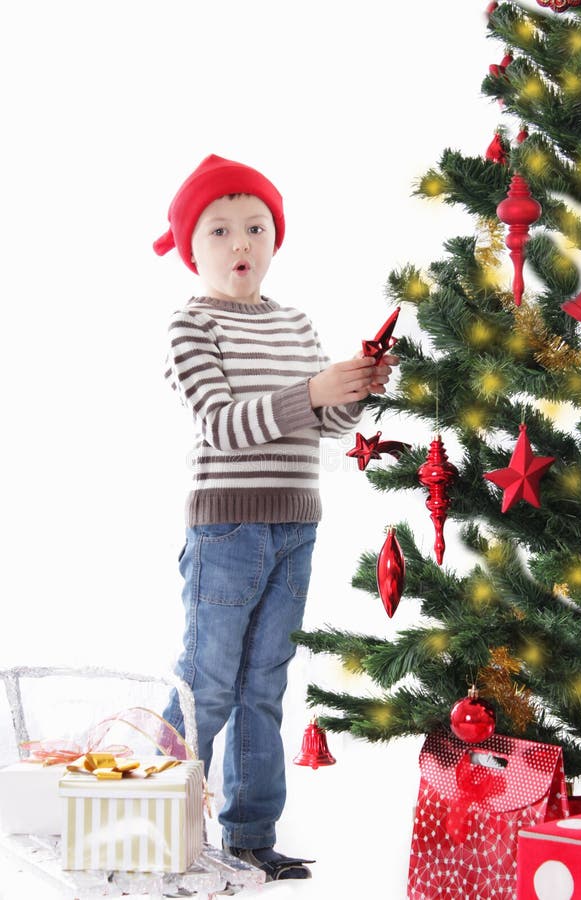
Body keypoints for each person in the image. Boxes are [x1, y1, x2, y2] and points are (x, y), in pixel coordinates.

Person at [153, 154, 395, 881]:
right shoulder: (191, 326)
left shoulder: (294, 323)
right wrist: (314, 389)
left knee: (265, 683)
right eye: (220, 230)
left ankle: (252, 833)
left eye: (255, 228)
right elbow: (225, 425)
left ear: (274, 242)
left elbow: (323, 422)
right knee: (208, 680)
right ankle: (148, 817)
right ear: (192, 248)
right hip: (227, 528)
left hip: (296, 525)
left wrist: (355, 388)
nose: (240, 245)